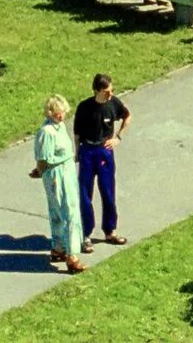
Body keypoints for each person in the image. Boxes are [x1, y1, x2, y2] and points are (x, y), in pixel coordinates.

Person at [73, 73, 130, 256]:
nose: (110, 94)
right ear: (97, 90)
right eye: (106, 91)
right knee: (85, 194)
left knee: (108, 191)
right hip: (87, 150)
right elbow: (77, 132)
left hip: (105, 150)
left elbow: (127, 116)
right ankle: (85, 234)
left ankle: (110, 230)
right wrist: (77, 152)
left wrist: (118, 137)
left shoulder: (114, 103)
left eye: (111, 90)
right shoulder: (84, 107)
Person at [31, 95, 84, 272]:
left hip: (67, 170)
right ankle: (72, 255)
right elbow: (43, 159)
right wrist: (39, 171)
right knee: (68, 212)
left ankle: (59, 247)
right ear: (49, 113)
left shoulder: (60, 126)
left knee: (60, 211)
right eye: (57, 113)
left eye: (62, 113)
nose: (61, 116)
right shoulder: (47, 132)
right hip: (56, 174)